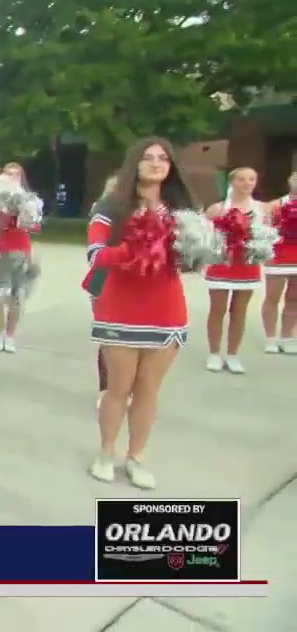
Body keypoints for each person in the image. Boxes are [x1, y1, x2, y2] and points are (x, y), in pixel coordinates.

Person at [85, 137, 195, 489]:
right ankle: (106, 452)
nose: (156, 163)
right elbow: (96, 256)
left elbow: (192, 260)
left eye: (164, 158)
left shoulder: (181, 210)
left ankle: (136, 456)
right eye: (148, 158)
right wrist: (133, 247)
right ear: (135, 164)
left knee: (148, 389)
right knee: (118, 387)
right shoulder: (111, 207)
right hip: (120, 308)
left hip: (166, 310)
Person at [202, 167, 267, 373]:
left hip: (247, 265)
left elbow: (267, 236)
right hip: (222, 263)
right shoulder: (217, 209)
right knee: (217, 310)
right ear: (232, 182)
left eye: (251, 179)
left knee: (239, 312)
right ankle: (214, 353)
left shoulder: (261, 209)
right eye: (241, 179)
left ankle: (233, 355)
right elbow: (204, 237)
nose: (247, 183)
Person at [0, 162, 40, 353]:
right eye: (8, 175)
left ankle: (10, 336)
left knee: (17, 296)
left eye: (16, 175)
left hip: (21, 250)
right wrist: (4, 212)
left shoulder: (30, 200)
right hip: (1, 250)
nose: (12, 178)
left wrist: (24, 212)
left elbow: (34, 227)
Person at [89, 174, 120, 409]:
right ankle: (105, 388)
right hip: (103, 277)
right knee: (108, 336)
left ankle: (125, 388)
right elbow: (96, 252)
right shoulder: (101, 213)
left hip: (134, 279)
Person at [261, 171, 297, 353]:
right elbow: (264, 231)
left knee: (294, 299)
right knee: (272, 297)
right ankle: (270, 338)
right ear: (290, 182)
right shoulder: (275, 205)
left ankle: (287, 337)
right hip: (278, 257)